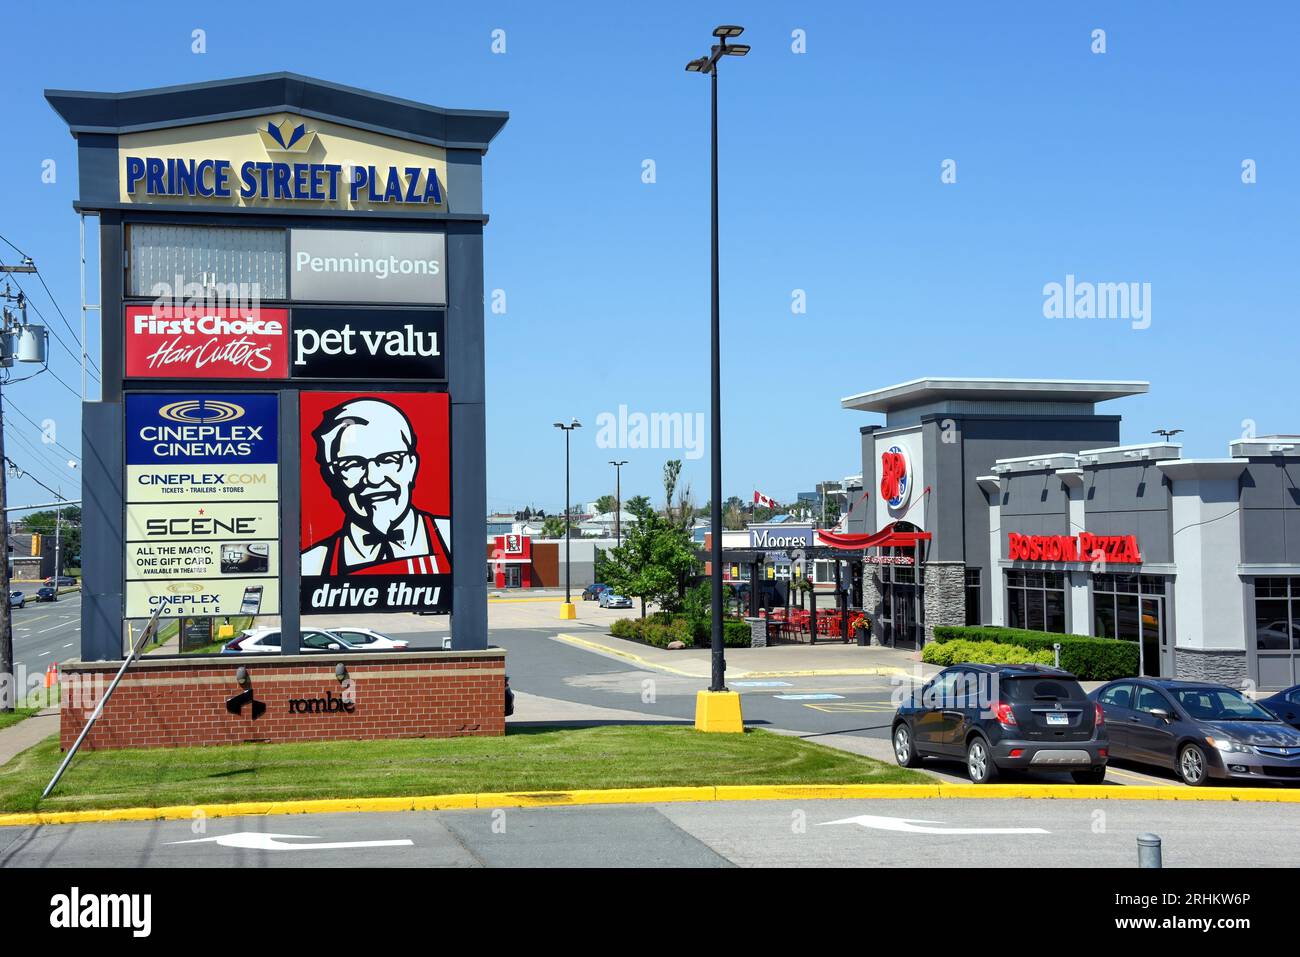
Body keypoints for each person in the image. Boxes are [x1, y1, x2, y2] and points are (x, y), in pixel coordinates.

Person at [301, 397, 451, 576]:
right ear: (332, 478)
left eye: (388, 460)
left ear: (412, 466)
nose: (374, 478)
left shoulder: (451, 539)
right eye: (352, 464)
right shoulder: (313, 564)